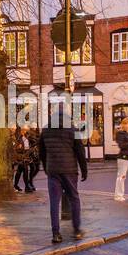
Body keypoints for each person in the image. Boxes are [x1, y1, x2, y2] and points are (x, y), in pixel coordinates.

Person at [39, 103, 87, 243]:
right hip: (70, 170)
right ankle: (77, 230)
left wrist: (46, 167)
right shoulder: (73, 129)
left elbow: (41, 152)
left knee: (54, 202)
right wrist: (84, 170)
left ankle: (56, 234)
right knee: (74, 198)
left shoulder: (46, 129)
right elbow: (80, 152)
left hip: (53, 170)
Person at [11, 125, 37, 192]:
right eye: (25, 131)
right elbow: (17, 149)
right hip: (22, 157)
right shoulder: (19, 139)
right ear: (22, 131)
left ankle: (17, 185)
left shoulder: (27, 138)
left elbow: (28, 145)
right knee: (24, 170)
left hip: (26, 156)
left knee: (20, 171)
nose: (26, 132)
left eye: (26, 130)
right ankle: (26, 187)